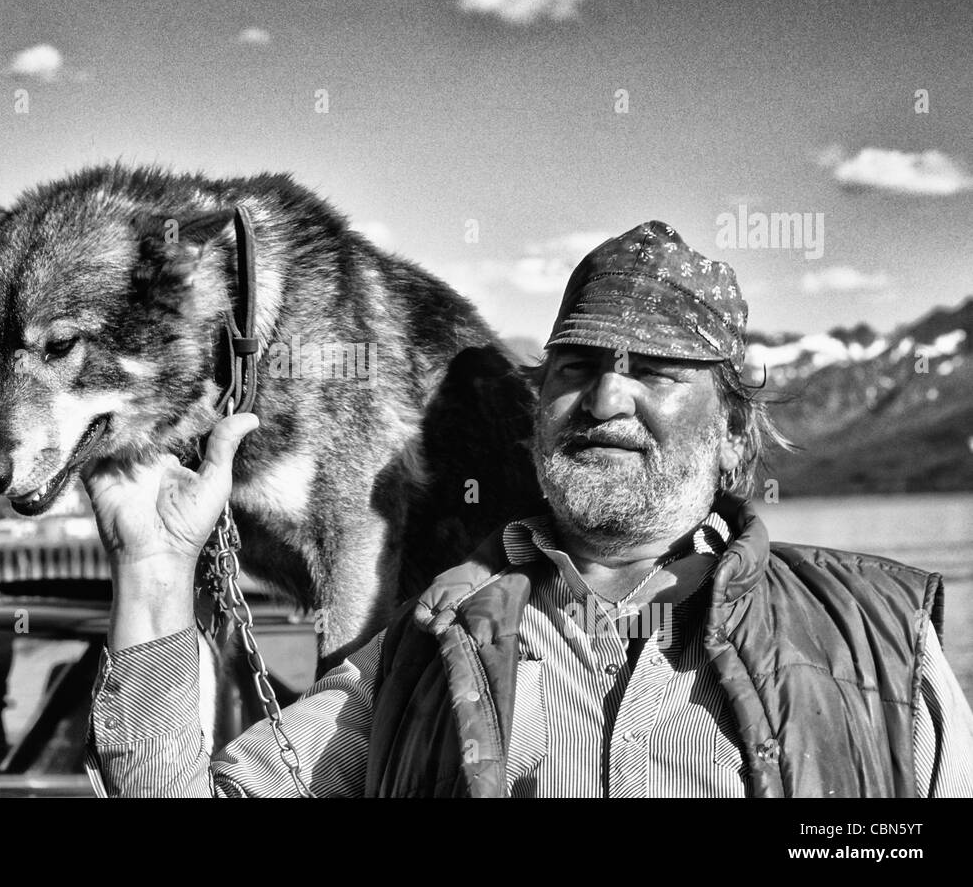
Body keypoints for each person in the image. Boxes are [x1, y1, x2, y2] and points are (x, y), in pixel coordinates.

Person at [82, 220, 973, 797]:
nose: (605, 400)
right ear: (536, 409)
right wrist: (152, 569)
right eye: (576, 369)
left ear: (735, 431)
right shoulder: (420, 650)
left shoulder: (880, 640)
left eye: (654, 370)